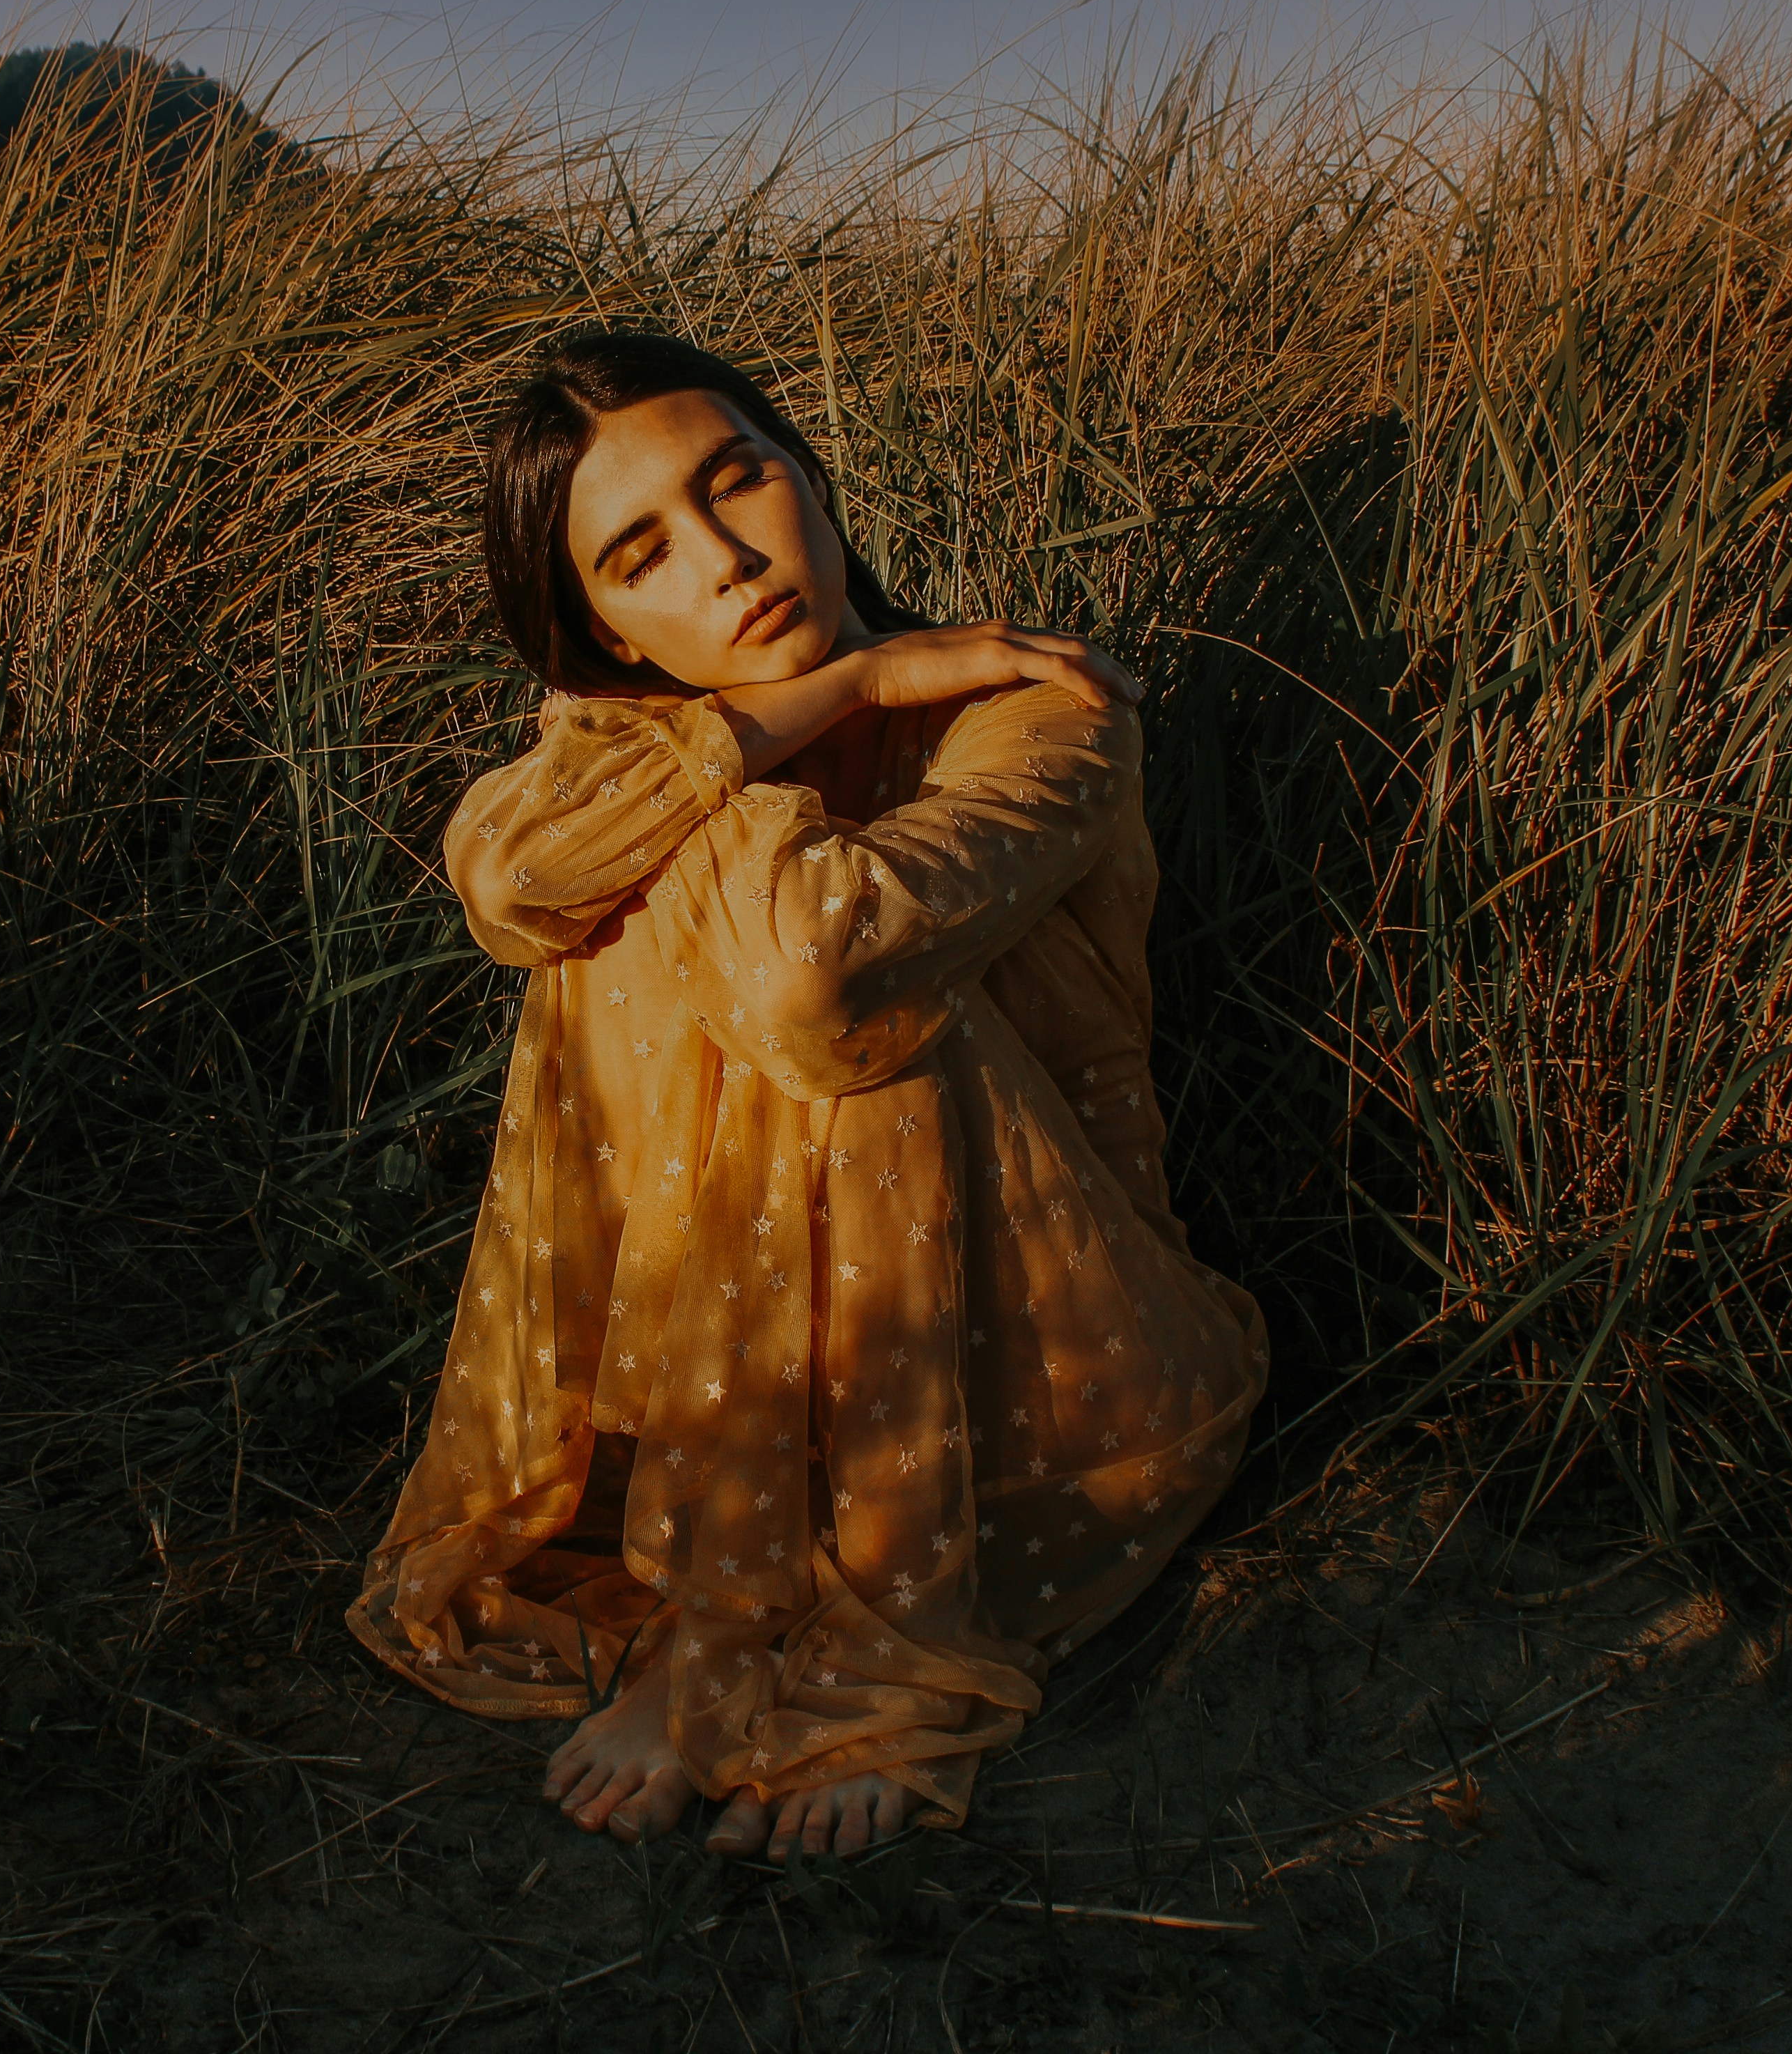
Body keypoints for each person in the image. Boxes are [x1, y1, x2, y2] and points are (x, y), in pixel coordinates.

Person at [347, 329, 1268, 1859]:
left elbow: (815, 981)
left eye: (739, 483)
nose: (724, 561)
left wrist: (773, 751)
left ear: (808, 472)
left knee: (826, 1005)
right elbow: (507, 878)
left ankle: (774, 1631)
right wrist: (826, 693)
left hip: (1043, 1391)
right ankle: (733, 1574)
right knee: (631, 873)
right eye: (642, 554)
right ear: (612, 633)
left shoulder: (1037, 712)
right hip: (722, 1382)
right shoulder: (636, 747)